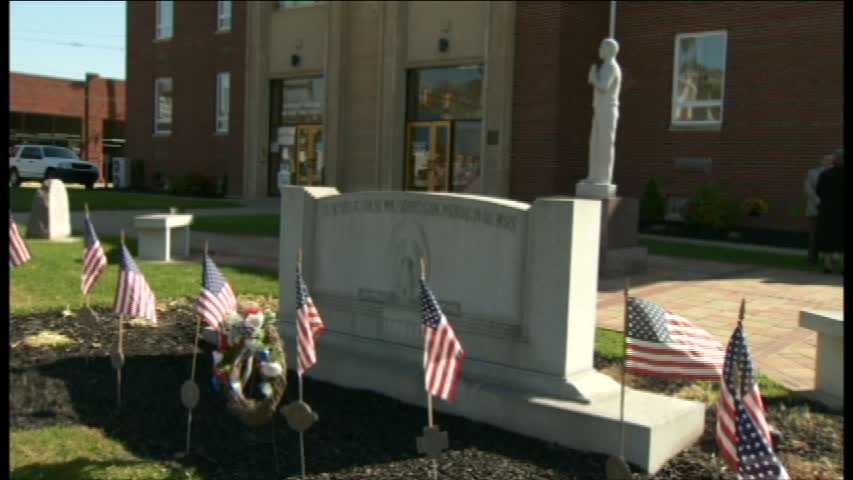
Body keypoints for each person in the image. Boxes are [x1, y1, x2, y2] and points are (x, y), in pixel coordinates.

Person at [815, 148, 845, 273]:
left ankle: (828, 265)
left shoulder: (825, 174)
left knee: (827, 237)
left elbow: (819, 191)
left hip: (828, 210)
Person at [804, 154, 834, 264]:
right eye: (826, 160)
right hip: (815, 209)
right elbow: (808, 189)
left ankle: (830, 259)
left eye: (831, 160)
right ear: (821, 161)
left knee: (831, 234)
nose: (828, 162)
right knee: (814, 235)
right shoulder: (812, 173)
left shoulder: (836, 173)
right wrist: (819, 201)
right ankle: (812, 258)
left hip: (831, 210)